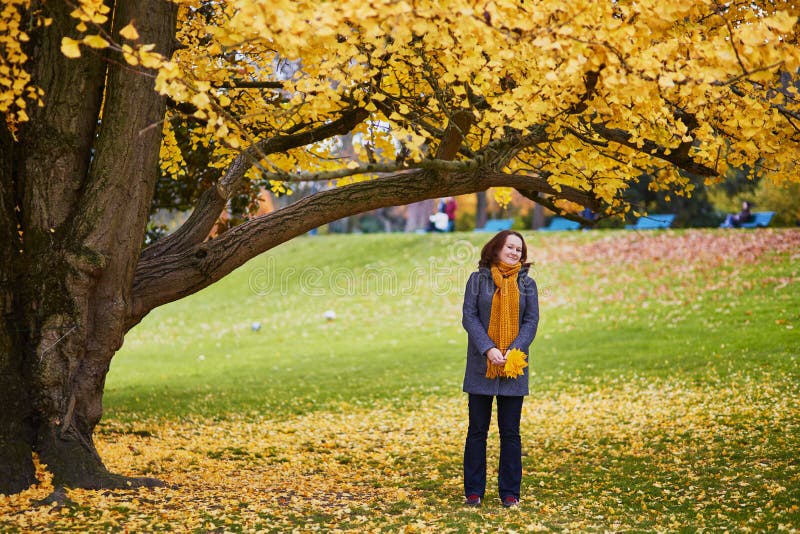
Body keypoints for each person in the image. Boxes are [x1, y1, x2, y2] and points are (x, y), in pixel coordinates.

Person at [461, 230, 539, 508]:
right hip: (482, 365)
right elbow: (469, 317)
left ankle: (509, 492)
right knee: (477, 430)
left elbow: (531, 321)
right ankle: (473, 491)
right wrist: (489, 349)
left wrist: (512, 351)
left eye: (519, 249)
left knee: (510, 432)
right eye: (510, 247)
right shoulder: (477, 280)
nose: (515, 252)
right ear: (496, 249)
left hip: (513, 367)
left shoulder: (527, 285)